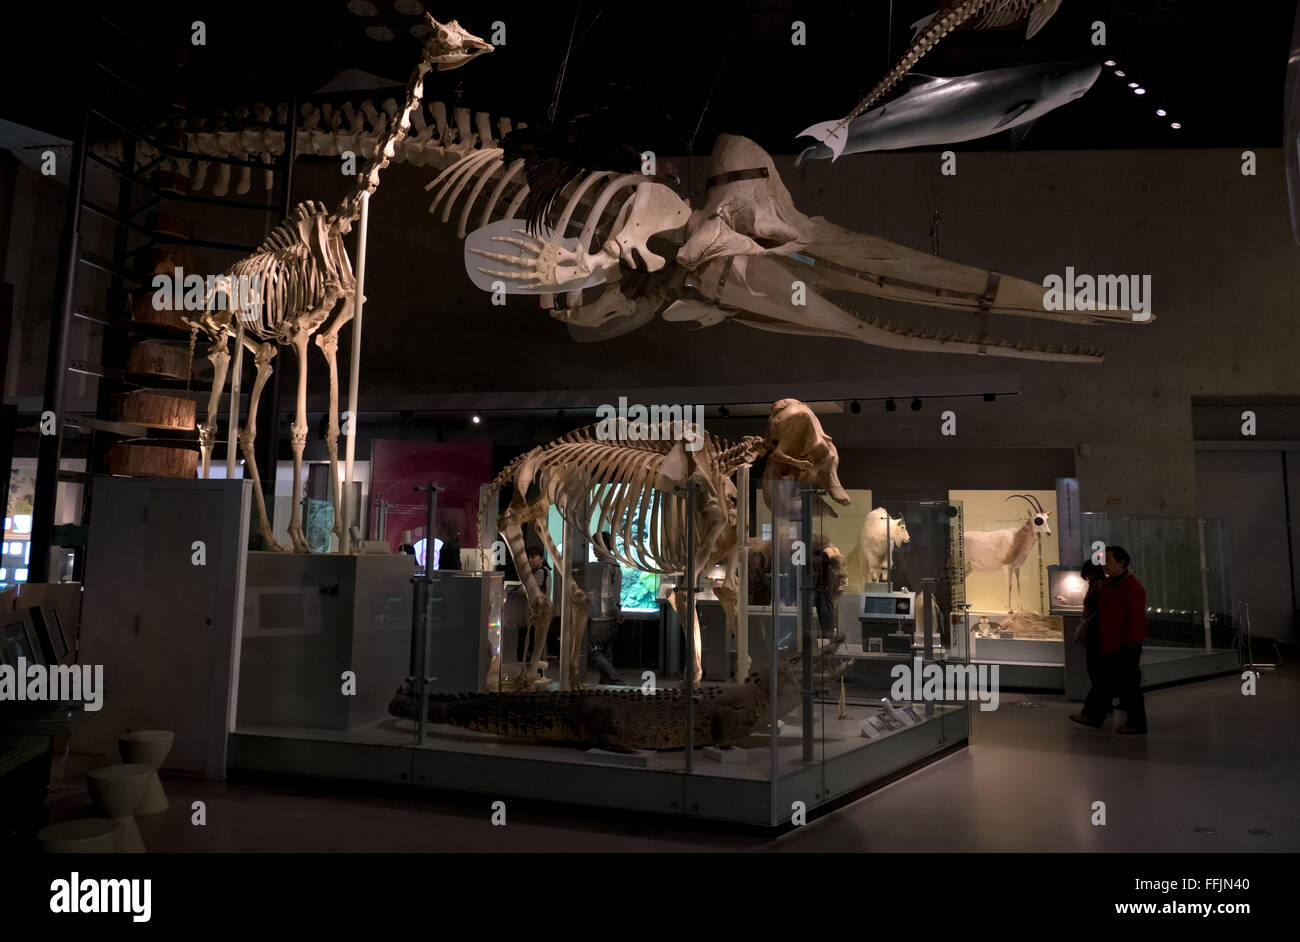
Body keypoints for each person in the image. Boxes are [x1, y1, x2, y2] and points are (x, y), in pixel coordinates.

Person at [1071, 546, 1148, 733]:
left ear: (1121, 562)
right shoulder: (1107, 585)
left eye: (1108, 560)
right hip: (1108, 642)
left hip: (1125, 644)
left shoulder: (1132, 587)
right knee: (1103, 682)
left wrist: (1132, 643)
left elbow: (1136, 618)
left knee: (1129, 686)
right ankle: (1092, 716)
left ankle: (1136, 723)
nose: (1104, 564)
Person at [1069, 560, 1108, 722]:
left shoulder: (1097, 586)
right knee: (1100, 674)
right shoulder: (1103, 584)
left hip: (1095, 632)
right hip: (1098, 631)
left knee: (1097, 674)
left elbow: (1098, 609)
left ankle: (1092, 714)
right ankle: (1104, 707)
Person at [586, 532, 624, 685]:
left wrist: (615, 613)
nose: (593, 549)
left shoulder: (607, 566)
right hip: (611, 617)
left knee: (591, 650)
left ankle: (616, 680)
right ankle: (606, 684)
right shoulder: (614, 565)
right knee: (606, 652)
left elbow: (607, 594)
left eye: (595, 546)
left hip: (603, 617)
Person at [515, 546, 551, 663]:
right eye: (529, 557)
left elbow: (531, 590)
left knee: (529, 641)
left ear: (541, 558)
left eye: (533, 557)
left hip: (536, 614)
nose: (530, 560)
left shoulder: (541, 572)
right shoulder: (544, 572)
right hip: (538, 613)